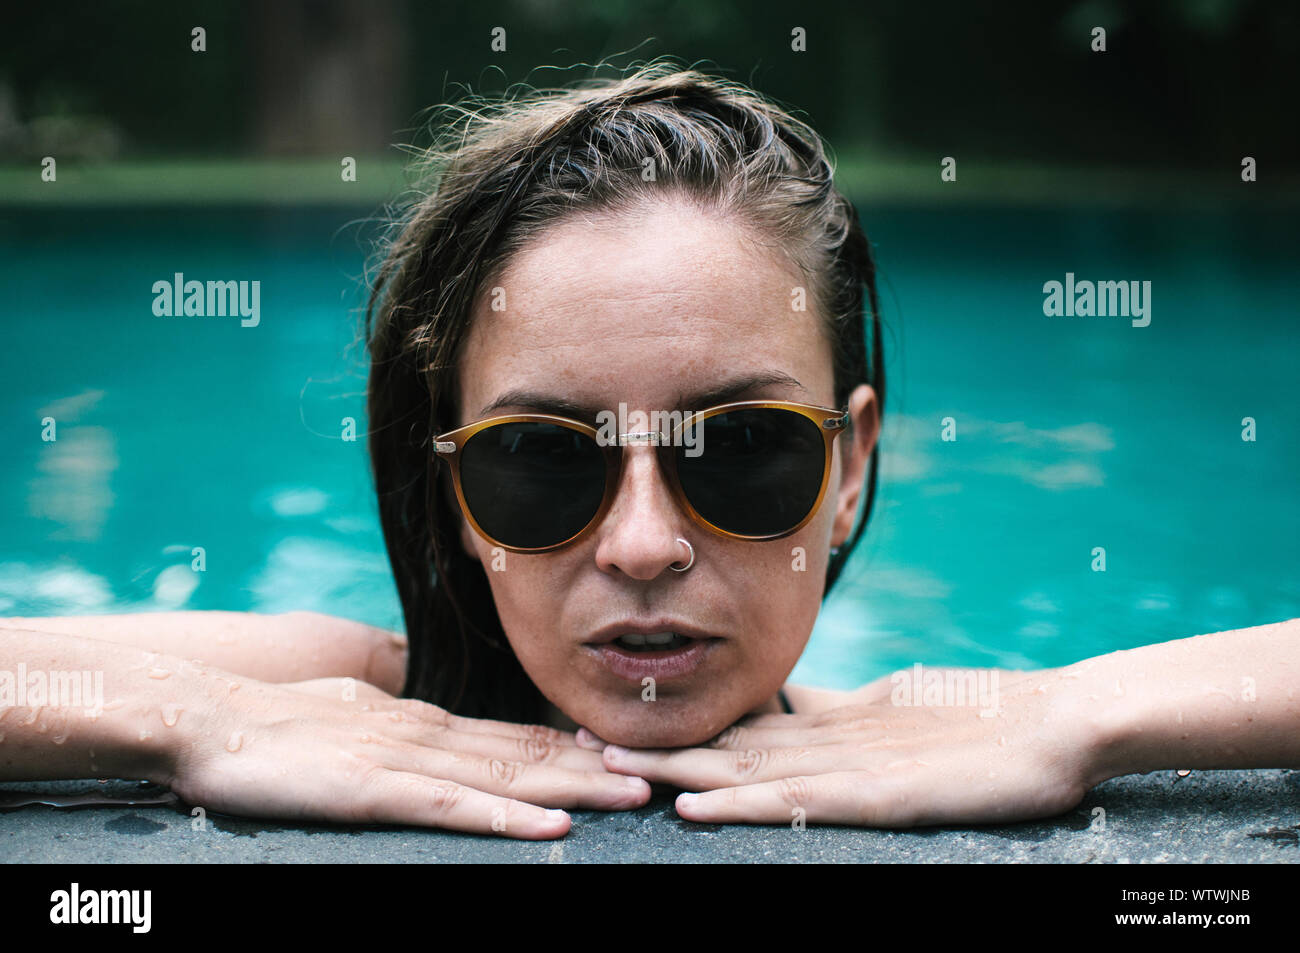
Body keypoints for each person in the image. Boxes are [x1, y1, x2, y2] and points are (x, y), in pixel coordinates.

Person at [3, 63, 1296, 841]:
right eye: (541, 460)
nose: (641, 543)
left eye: (739, 450)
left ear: (848, 468)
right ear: (450, 485)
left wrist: (1084, 713)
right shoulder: (343, 686)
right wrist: (195, 717)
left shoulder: (946, 726)